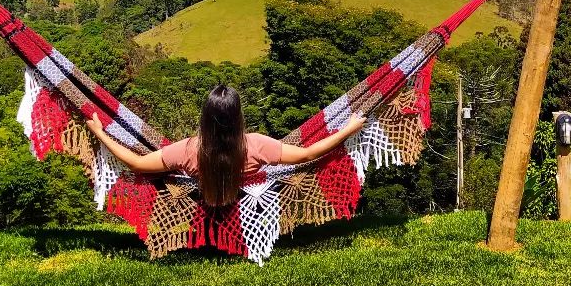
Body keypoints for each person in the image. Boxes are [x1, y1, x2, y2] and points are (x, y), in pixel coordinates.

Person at [85, 84, 367, 207]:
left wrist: (101, 133)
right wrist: (349, 128)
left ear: (205, 118)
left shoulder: (189, 150)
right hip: (247, 210)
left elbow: (135, 163)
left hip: (201, 210)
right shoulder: (255, 146)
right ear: (238, 117)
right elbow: (308, 153)